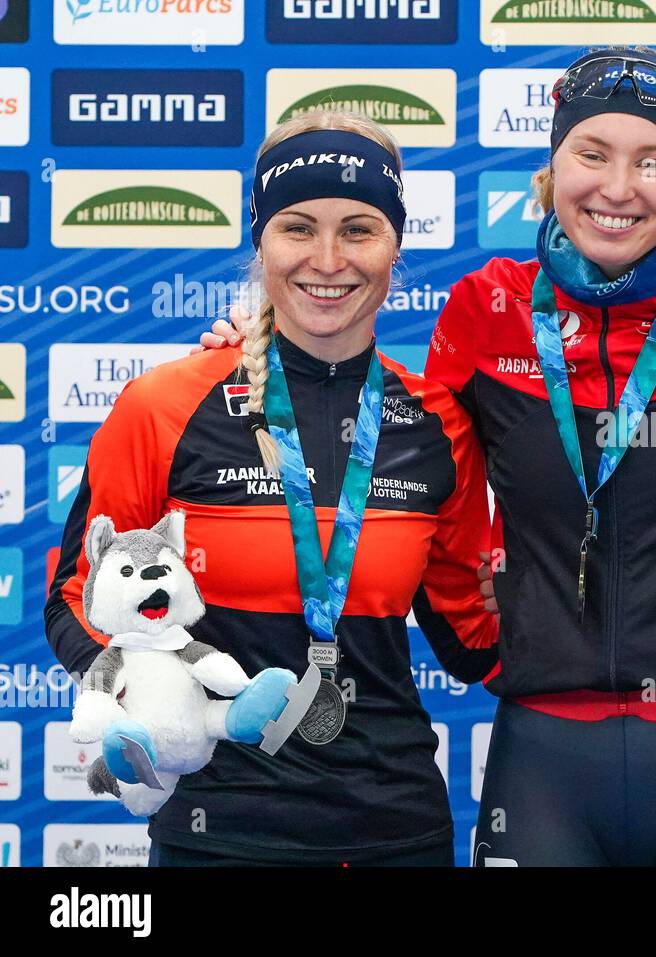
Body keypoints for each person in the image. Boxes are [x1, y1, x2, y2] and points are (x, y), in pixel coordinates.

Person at [199, 46, 656, 866]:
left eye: (653, 161)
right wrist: (249, 355)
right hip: (544, 751)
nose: (617, 188)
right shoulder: (485, 311)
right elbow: (415, 470)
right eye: (592, 154)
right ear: (552, 164)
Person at [46, 109, 497, 866]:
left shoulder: (436, 422)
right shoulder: (165, 405)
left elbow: (471, 641)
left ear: (396, 246)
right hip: (217, 829)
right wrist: (154, 693)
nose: (328, 258)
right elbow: (73, 594)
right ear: (261, 240)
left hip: (394, 828)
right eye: (298, 227)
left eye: (359, 228)